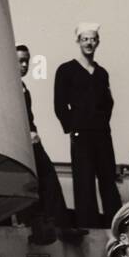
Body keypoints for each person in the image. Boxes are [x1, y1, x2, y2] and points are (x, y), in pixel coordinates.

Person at [54, 22, 121, 228]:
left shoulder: (102, 73)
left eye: (93, 39)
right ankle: (87, 225)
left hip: (101, 133)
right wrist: (72, 127)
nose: (89, 43)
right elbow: (59, 104)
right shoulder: (66, 70)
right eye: (85, 39)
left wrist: (101, 122)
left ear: (98, 42)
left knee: (108, 179)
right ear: (78, 41)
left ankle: (115, 225)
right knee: (84, 181)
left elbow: (109, 102)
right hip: (80, 134)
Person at [17, 43, 77, 245]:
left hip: (31, 139)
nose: (24, 65)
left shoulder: (24, 88)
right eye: (19, 61)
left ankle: (58, 225)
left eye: (26, 61)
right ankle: (44, 225)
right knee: (38, 179)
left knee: (48, 179)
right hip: (23, 141)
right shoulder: (11, 88)